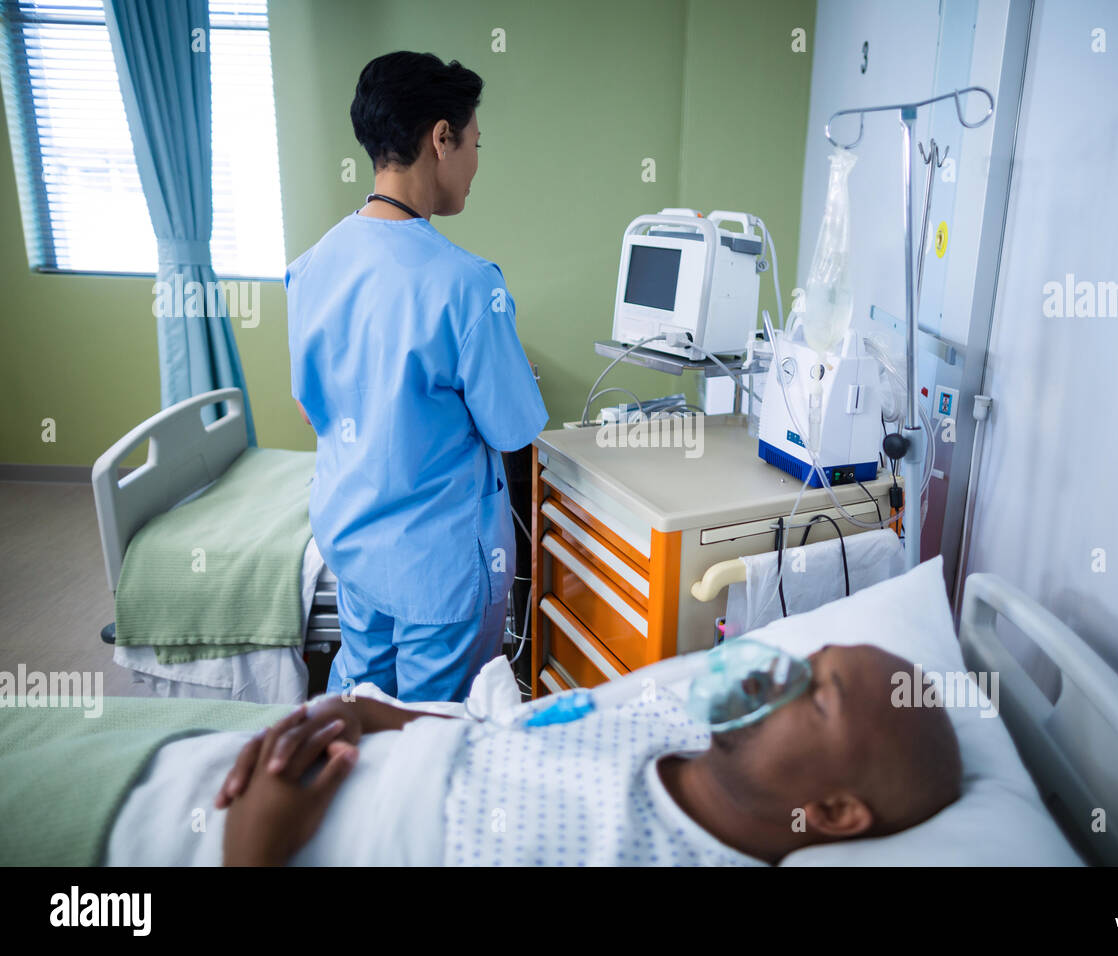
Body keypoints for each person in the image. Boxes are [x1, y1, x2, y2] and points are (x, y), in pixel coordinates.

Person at [112, 644, 961, 866]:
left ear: (841, 812)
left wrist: (254, 852)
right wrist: (375, 713)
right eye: (807, 662)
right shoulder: (666, 728)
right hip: (227, 760)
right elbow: (507, 747)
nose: (774, 672)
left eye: (815, 695)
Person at [286, 51, 547, 703]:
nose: (476, 164)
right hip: (442, 572)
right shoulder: (466, 284)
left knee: (359, 708)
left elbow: (310, 405)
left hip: (354, 544)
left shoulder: (312, 265)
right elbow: (514, 425)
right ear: (441, 138)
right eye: (475, 144)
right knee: (435, 736)